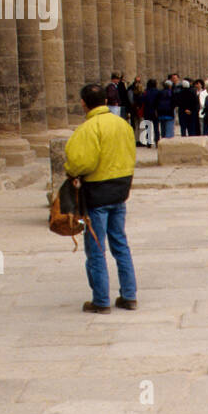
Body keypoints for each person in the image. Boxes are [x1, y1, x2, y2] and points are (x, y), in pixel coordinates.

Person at [64, 83, 138, 313]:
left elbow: (80, 162)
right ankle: (129, 296)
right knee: (120, 243)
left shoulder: (87, 129)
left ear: (84, 104)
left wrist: (71, 170)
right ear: (106, 101)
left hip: (97, 193)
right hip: (120, 190)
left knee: (96, 247)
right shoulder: (122, 124)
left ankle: (101, 300)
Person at [141, 78, 160, 147]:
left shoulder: (146, 92)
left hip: (147, 110)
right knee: (156, 127)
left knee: (148, 127)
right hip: (155, 111)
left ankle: (149, 142)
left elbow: (142, 100)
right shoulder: (157, 92)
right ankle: (157, 141)